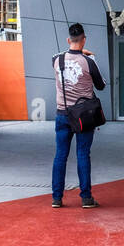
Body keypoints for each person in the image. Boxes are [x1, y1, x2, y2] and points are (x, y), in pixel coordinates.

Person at [51, 23, 106, 208]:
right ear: (84, 40)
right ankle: (86, 198)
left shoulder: (56, 60)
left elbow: (60, 53)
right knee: (83, 154)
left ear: (68, 40)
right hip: (83, 116)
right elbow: (101, 85)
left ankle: (57, 199)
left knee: (60, 156)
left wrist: (75, 50)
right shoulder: (89, 62)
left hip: (62, 114)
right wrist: (91, 57)